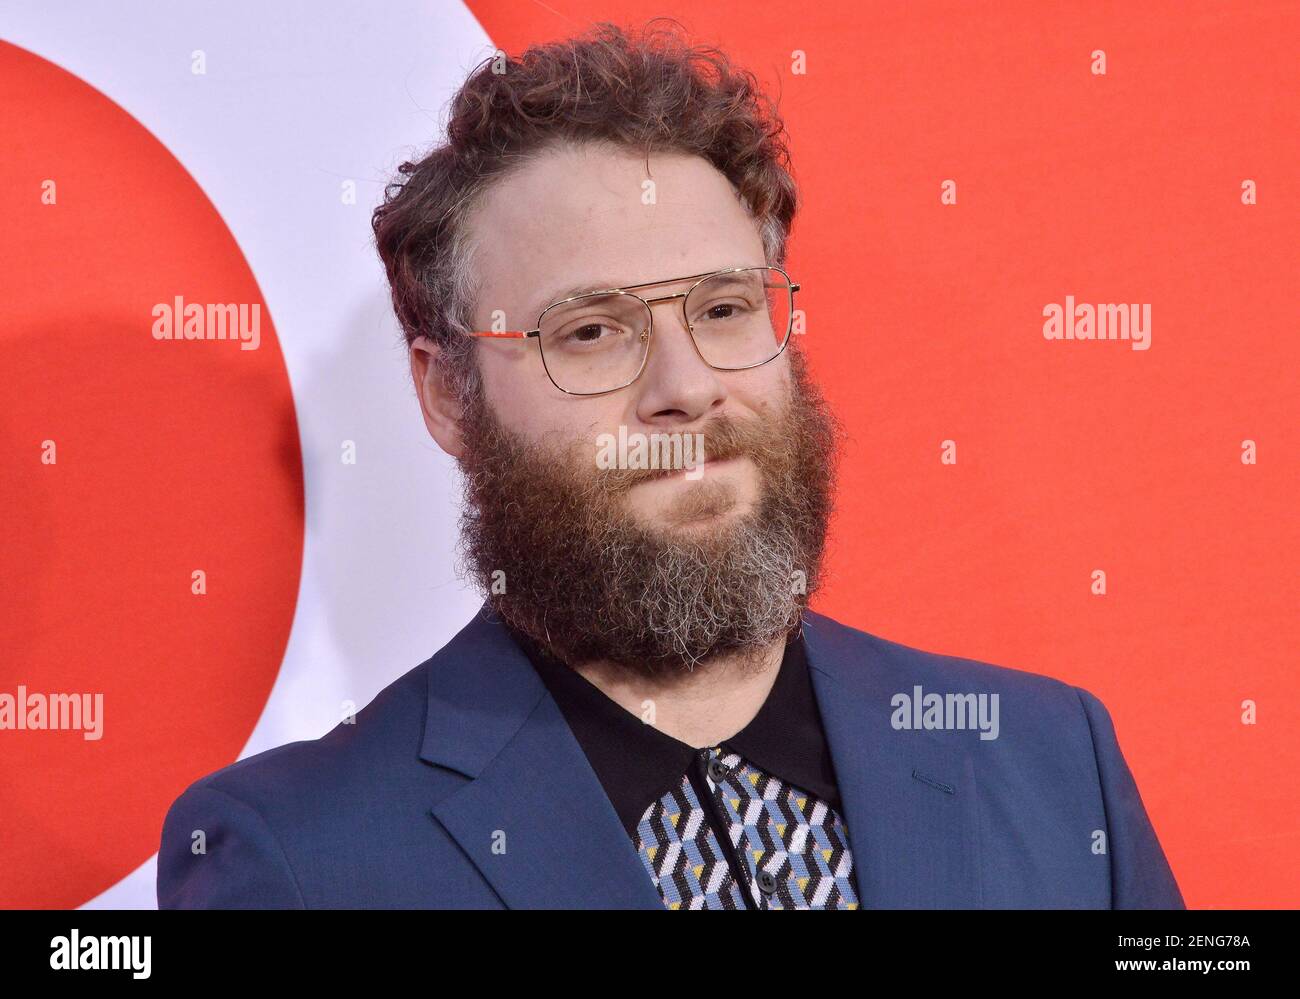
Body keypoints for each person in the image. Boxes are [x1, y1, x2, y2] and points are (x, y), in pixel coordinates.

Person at [157, 20, 1184, 910]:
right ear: (446, 395)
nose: (686, 388)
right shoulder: (300, 859)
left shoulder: (1047, 761)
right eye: (593, 330)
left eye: (726, 309)